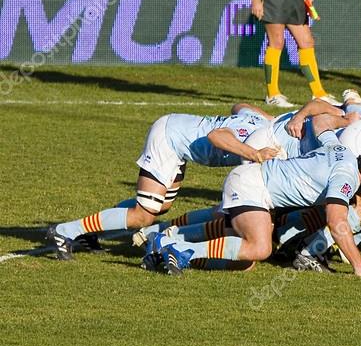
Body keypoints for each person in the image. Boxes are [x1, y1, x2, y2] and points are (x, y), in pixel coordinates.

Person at [46, 110, 276, 260]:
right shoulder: (254, 134)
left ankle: (91, 230)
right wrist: (254, 153)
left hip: (176, 139)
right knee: (143, 216)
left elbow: (240, 106)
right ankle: (65, 231)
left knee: (159, 207)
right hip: (169, 140)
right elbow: (217, 136)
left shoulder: (265, 122)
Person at [145, 145, 361, 275]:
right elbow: (337, 222)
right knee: (260, 247)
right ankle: (179, 251)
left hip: (253, 181)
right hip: (254, 186)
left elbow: (322, 128)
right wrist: (360, 265)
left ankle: (165, 240)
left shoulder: (343, 152)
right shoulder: (347, 177)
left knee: (243, 260)